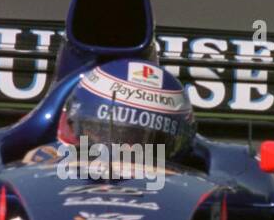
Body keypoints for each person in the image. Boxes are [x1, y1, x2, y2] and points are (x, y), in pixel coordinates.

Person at [21, 58, 195, 173]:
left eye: (137, 138)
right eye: (100, 131)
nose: (125, 150)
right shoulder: (45, 159)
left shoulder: (191, 181)